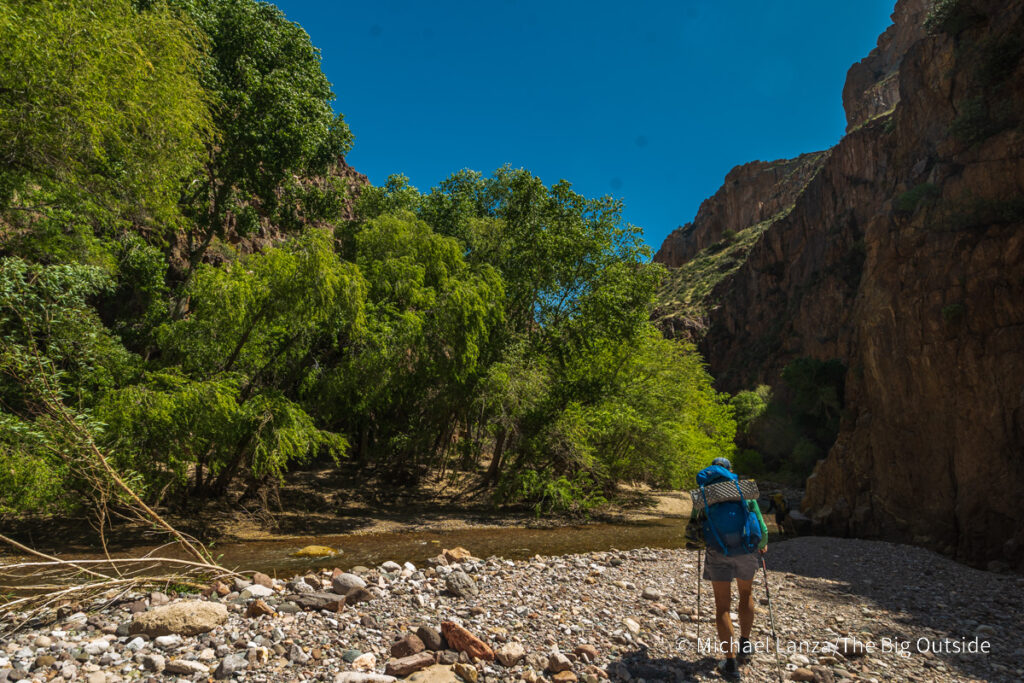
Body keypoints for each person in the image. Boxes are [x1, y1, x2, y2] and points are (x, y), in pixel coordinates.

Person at [688, 456, 768, 681]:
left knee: (722, 607)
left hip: (718, 553)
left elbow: (692, 530)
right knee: (746, 594)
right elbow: (761, 527)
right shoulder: (744, 491)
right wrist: (761, 546)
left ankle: (730, 664)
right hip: (745, 552)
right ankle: (745, 644)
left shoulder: (703, 496)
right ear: (730, 471)